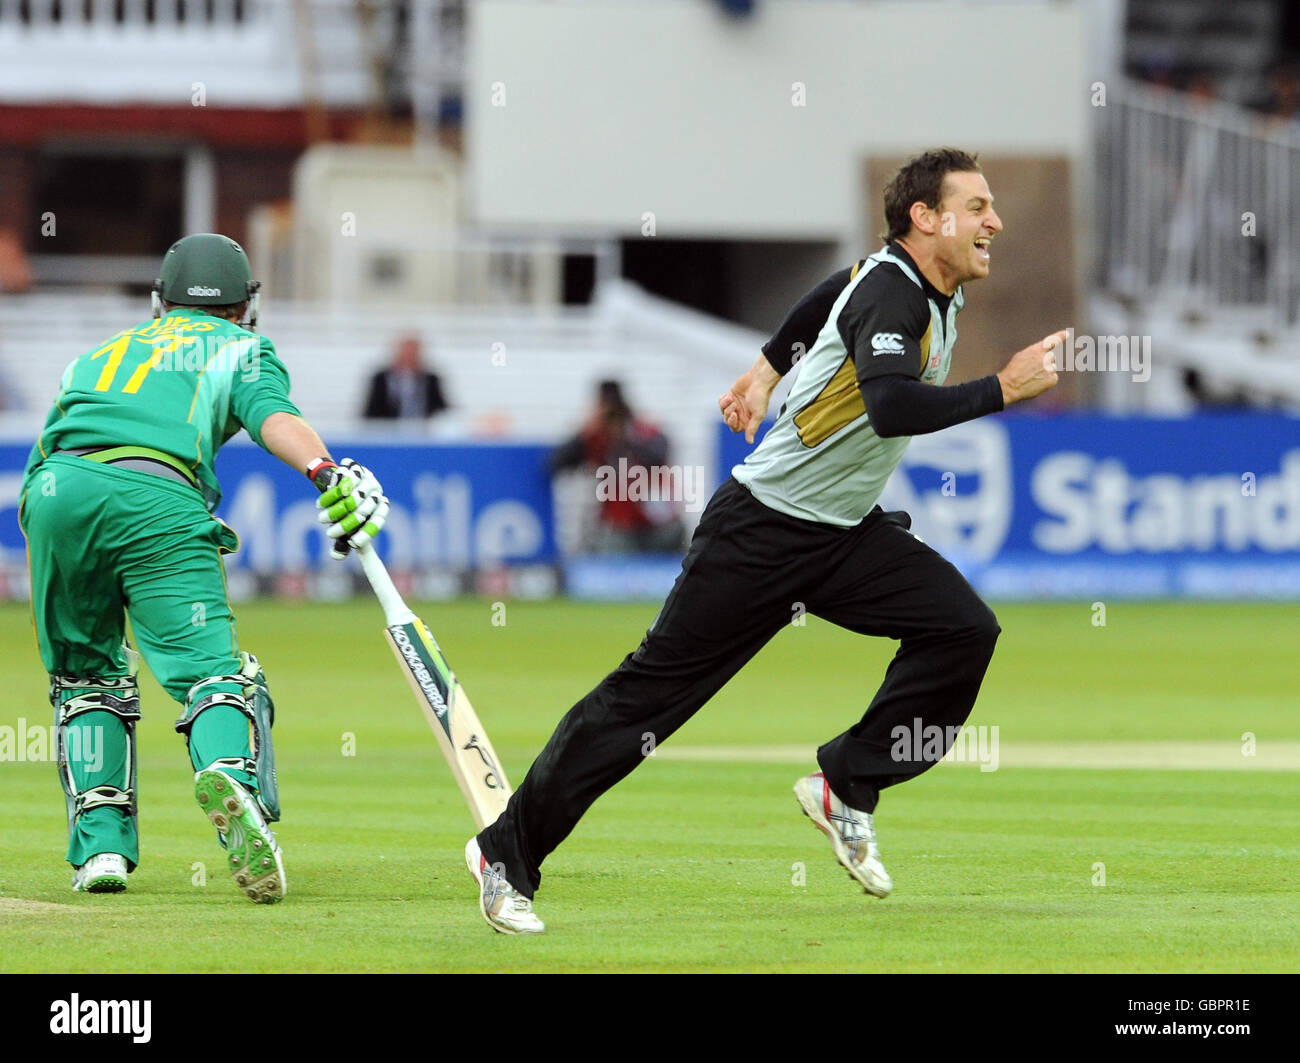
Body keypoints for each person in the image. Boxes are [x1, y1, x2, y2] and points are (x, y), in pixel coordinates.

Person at [464, 148, 1064, 933]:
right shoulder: (896, 295)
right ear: (927, 218)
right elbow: (888, 405)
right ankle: (505, 854)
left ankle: (846, 781)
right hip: (761, 532)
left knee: (962, 628)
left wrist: (763, 370)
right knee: (646, 703)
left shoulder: (903, 279)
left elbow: (826, 294)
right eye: (978, 205)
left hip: (843, 533)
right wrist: (1002, 389)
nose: (997, 221)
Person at [19, 233, 390, 902]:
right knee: (212, 673)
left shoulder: (97, 355)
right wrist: (326, 470)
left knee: (86, 674)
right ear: (246, 304)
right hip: (156, 495)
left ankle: (101, 851)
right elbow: (275, 416)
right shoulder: (241, 348)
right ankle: (229, 780)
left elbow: (47, 449)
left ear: (160, 301)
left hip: (55, 494)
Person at [550, 379, 685, 553]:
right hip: (620, 529)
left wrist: (626, 436)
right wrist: (586, 430)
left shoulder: (646, 432)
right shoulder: (595, 438)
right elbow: (557, 463)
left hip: (657, 524)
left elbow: (658, 455)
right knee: (609, 546)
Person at [362, 333, 449, 420]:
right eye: (406, 353)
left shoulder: (431, 379)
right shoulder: (381, 378)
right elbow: (371, 410)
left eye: (413, 353)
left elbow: (441, 409)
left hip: (423, 428)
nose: (409, 357)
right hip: (389, 428)